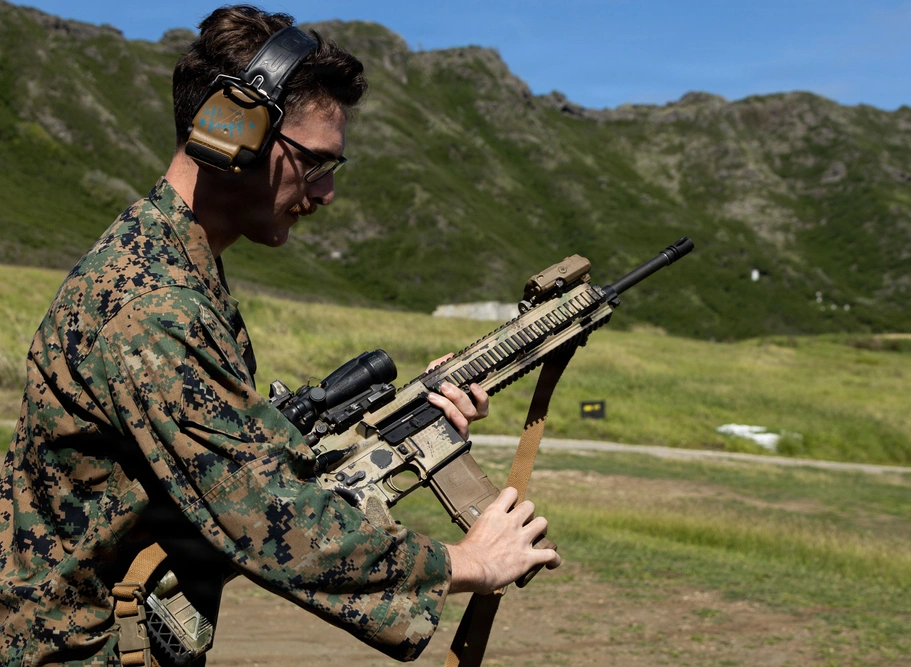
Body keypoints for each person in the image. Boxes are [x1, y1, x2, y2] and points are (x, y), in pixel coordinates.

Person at [0, 5, 559, 665]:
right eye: (313, 163)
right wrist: (463, 562)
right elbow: (267, 518)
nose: (323, 193)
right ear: (231, 134)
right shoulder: (155, 308)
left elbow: (233, 453)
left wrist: (404, 418)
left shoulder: (168, 259)